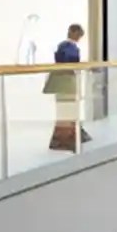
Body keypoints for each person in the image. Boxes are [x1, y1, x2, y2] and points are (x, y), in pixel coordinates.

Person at [44, 24, 91, 152]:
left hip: (65, 82)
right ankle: (64, 139)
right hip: (65, 82)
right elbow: (69, 64)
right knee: (67, 109)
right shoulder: (68, 47)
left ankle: (67, 136)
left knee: (67, 110)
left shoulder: (65, 46)